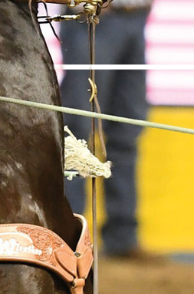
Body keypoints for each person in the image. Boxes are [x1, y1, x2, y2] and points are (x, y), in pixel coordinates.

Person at [60, 0, 155, 259]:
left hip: (135, 16)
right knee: (77, 130)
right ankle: (70, 235)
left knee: (126, 130)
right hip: (92, 18)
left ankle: (122, 239)